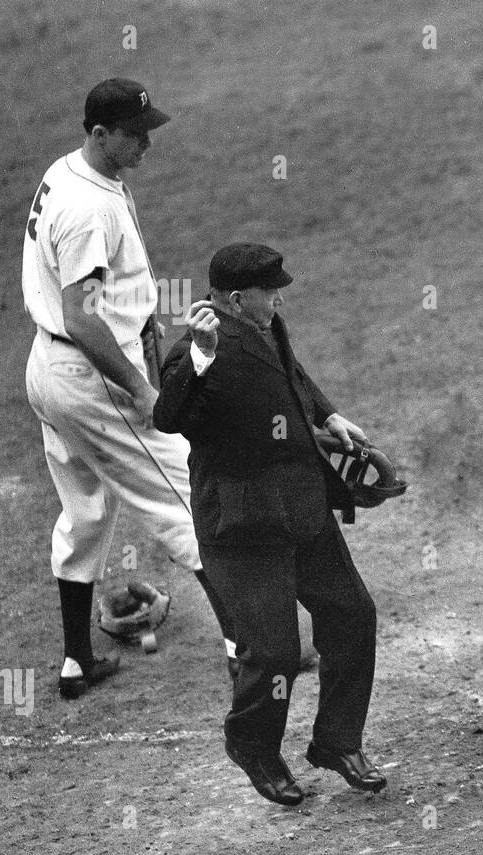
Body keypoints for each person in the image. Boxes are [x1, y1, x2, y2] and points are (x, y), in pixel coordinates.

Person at [22, 78, 240, 699]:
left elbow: (104, 294)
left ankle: (75, 662)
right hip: (91, 380)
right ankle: (245, 650)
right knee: (188, 492)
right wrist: (142, 394)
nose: (147, 141)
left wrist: (144, 321)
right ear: (100, 134)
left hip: (50, 372)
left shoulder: (69, 174)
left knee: (85, 511)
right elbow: (82, 316)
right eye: (135, 133)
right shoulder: (88, 208)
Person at [154, 242, 386, 806]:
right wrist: (203, 356)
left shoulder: (264, 323)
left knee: (352, 615)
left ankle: (336, 741)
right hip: (243, 526)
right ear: (237, 298)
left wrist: (328, 416)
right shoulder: (195, 349)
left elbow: (290, 375)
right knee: (275, 653)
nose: (280, 299)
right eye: (271, 291)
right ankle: (254, 746)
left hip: (302, 509)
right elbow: (169, 416)